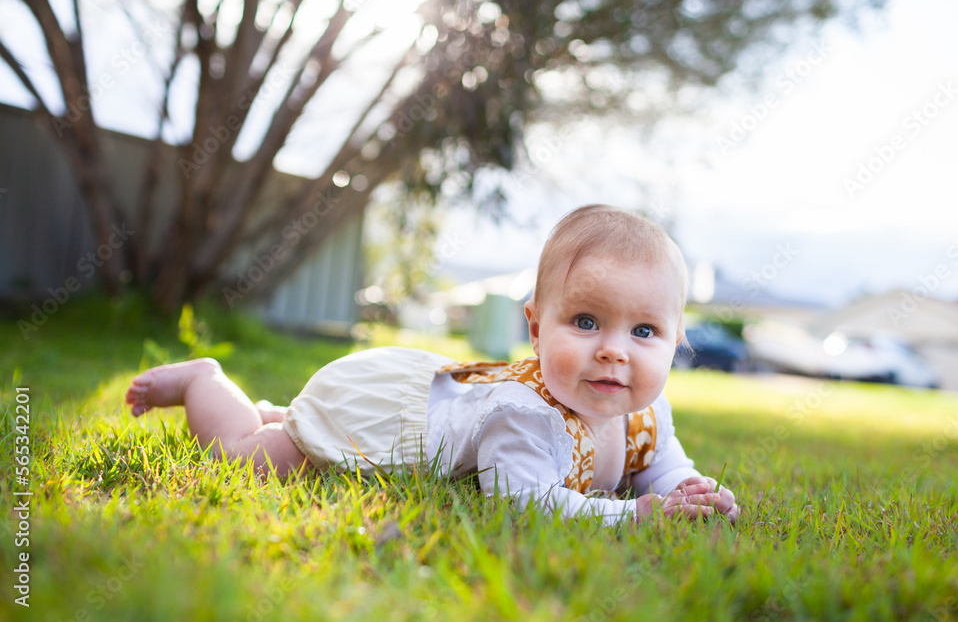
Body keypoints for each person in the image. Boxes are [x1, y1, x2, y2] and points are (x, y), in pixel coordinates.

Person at [126, 204, 739, 525]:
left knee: (287, 422)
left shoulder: (647, 409)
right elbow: (528, 503)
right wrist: (635, 516)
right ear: (534, 328)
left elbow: (662, 471)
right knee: (254, 459)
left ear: (675, 341)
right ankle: (206, 380)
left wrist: (691, 494)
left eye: (644, 331)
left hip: (441, 401)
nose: (614, 349)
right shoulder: (523, 418)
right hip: (388, 423)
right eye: (585, 322)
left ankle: (275, 412)